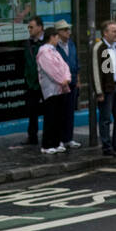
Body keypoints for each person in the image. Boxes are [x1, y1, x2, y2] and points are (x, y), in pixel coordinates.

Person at [92, 19, 116, 156]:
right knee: (106, 118)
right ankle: (107, 147)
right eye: (114, 31)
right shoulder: (100, 47)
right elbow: (96, 70)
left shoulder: (114, 47)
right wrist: (99, 91)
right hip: (107, 88)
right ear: (105, 33)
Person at [36, 25, 71, 154]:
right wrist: (63, 80)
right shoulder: (44, 51)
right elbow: (51, 70)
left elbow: (64, 65)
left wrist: (67, 77)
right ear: (52, 37)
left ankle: (56, 142)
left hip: (59, 89)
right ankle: (46, 144)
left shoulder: (54, 50)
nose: (58, 39)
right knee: (50, 117)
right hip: (50, 90)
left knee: (58, 117)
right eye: (57, 37)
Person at [55, 21, 81, 150]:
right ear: (58, 32)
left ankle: (68, 138)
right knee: (61, 112)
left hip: (73, 82)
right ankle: (59, 139)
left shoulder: (71, 44)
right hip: (61, 83)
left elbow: (76, 62)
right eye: (65, 30)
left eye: (68, 29)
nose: (68, 32)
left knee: (70, 111)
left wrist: (78, 80)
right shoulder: (55, 47)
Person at [20, 16, 45, 148]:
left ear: (40, 27)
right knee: (32, 110)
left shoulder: (46, 42)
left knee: (49, 110)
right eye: (28, 27)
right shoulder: (27, 43)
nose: (29, 29)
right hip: (31, 82)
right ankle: (32, 136)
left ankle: (49, 136)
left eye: (31, 27)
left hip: (44, 82)